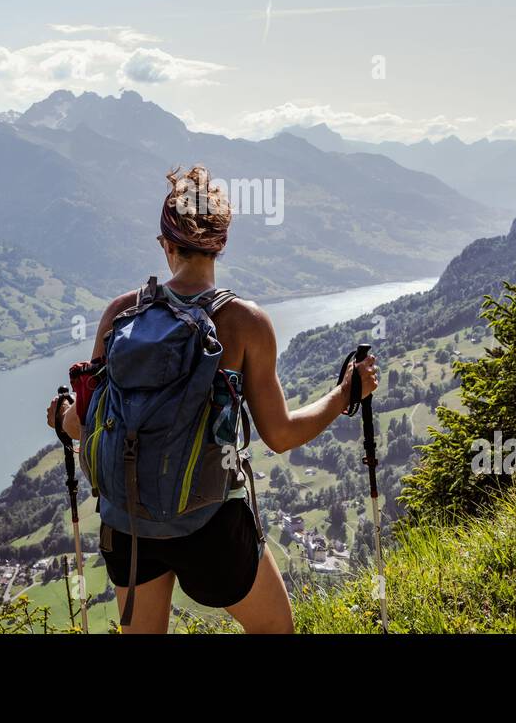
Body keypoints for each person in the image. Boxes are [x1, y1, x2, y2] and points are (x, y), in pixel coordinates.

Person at [47, 164, 378, 633]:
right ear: (221, 242)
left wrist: (63, 419)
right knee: (275, 631)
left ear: (166, 244)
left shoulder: (121, 314)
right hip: (208, 524)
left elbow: (90, 424)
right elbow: (280, 435)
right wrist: (346, 392)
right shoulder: (245, 323)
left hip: (126, 524)